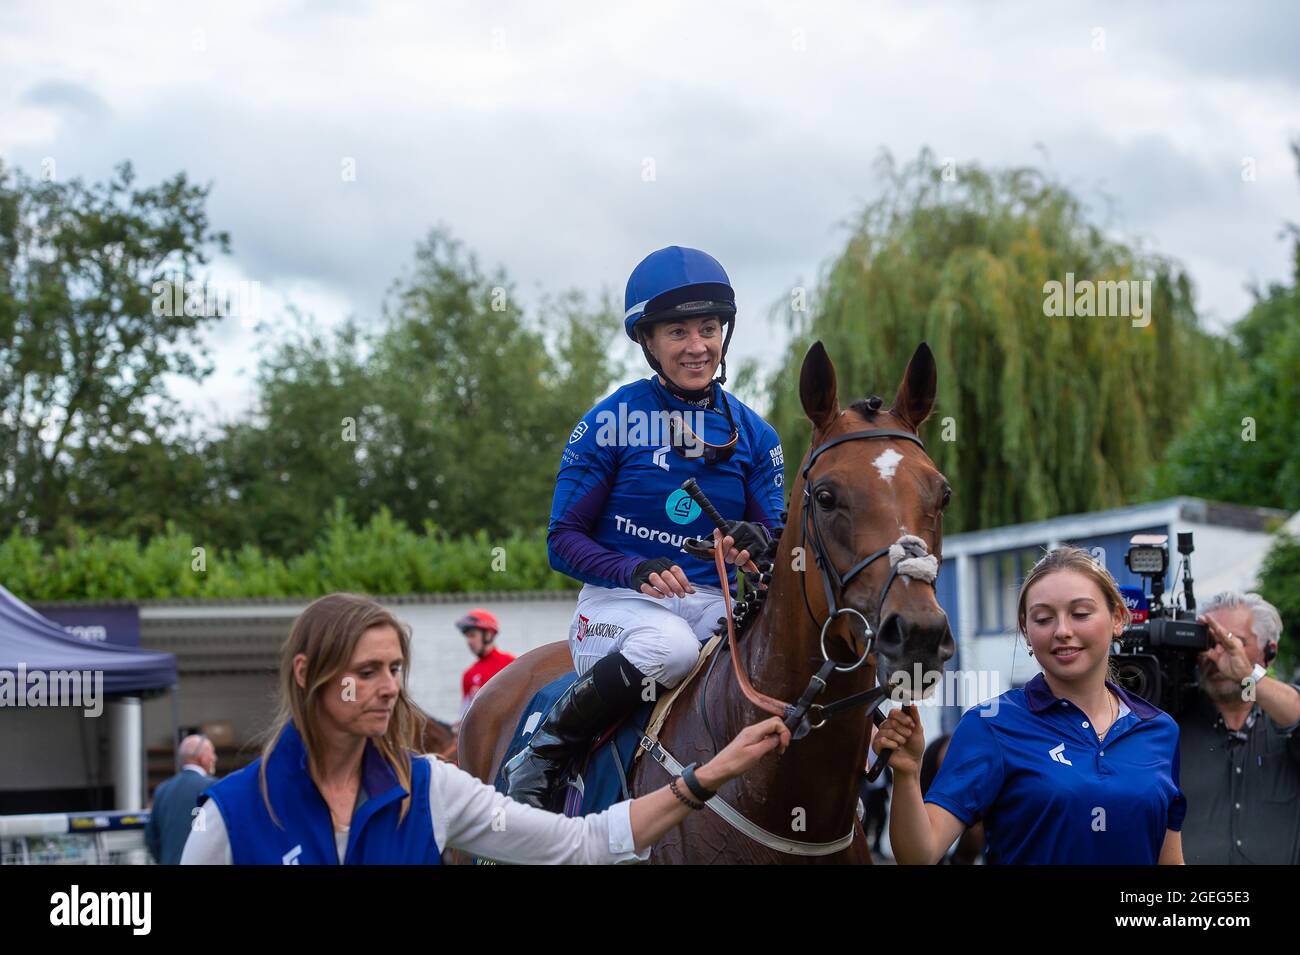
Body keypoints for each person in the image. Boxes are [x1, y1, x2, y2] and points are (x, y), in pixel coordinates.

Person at [180, 593, 790, 864]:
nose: (390, 688)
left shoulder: (432, 789)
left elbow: (579, 844)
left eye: (395, 669)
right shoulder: (227, 816)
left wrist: (707, 774)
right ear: (308, 674)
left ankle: (546, 760)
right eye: (366, 672)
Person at [502, 246, 786, 809]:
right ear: (648, 342)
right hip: (616, 612)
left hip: (714, 605)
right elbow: (562, 541)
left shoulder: (755, 435)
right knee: (672, 646)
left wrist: (764, 543)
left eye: (709, 328)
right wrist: (635, 570)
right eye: (678, 332)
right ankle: (544, 754)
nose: (697, 345)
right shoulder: (610, 421)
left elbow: (778, 546)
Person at [873, 545, 1186, 864]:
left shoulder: (1159, 730)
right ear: (1026, 630)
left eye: (1080, 613)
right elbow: (918, 855)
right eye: (1043, 618)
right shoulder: (990, 725)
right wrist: (908, 774)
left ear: (1119, 618)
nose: (1063, 631)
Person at [1178, 591, 1300, 864]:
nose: (1217, 654)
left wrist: (1248, 676)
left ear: (1270, 652)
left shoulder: (1284, 718)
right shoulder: (1170, 724)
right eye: (1210, 642)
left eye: (1232, 641)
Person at [145, 734, 217, 865]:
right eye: (212, 753)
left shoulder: (162, 789)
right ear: (202, 758)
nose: (214, 758)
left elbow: (151, 836)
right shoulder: (213, 788)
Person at [455, 608, 515, 721]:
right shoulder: (468, 674)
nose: (468, 641)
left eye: (472, 635)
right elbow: (464, 717)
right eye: (467, 637)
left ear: (488, 635)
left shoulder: (510, 663)